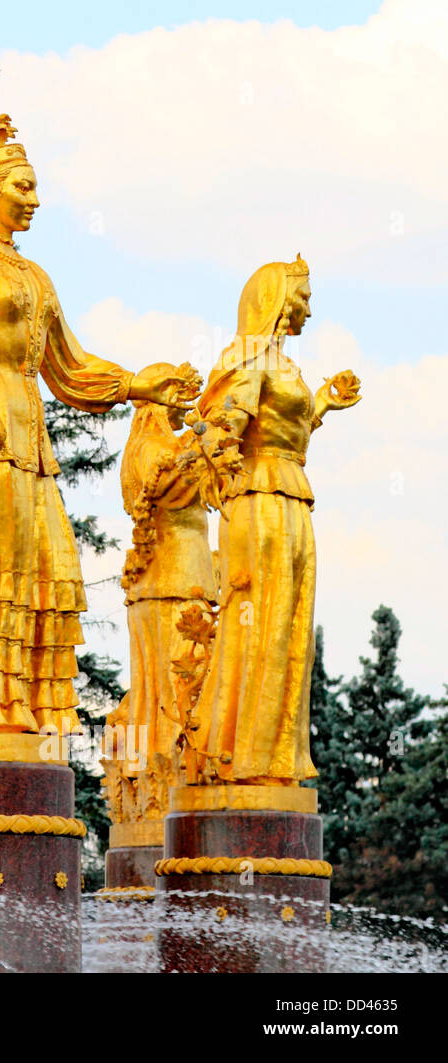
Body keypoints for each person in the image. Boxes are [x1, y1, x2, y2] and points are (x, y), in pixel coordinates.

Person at [0, 116, 194, 736]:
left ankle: (15, 703)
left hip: (31, 446)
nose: (35, 200)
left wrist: (137, 385)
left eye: (35, 186)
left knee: (43, 566)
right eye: (23, 186)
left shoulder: (35, 277)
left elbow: (68, 368)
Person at [192, 256, 360, 783]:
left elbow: (286, 431)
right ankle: (245, 754)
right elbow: (226, 432)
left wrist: (324, 405)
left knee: (290, 626)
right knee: (261, 619)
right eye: (302, 296)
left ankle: (277, 755)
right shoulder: (249, 356)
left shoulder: (286, 366)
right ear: (275, 299)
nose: (308, 307)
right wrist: (219, 455)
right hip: (259, 499)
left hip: (290, 495)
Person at [108, 380, 217, 810]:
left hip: (172, 578)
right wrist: (203, 442)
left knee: (168, 684)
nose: (182, 409)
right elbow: (167, 485)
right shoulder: (151, 447)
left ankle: (162, 770)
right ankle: (166, 778)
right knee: (174, 684)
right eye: (173, 401)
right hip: (172, 579)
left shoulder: (155, 446)